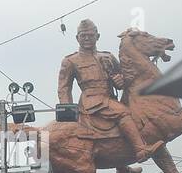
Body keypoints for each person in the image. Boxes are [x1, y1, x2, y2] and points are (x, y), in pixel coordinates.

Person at [58, 18, 164, 163]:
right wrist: (68, 113)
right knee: (123, 113)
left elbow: (124, 77)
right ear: (77, 38)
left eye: (90, 35)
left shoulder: (107, 56)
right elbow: (64, 88)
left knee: (131, 115)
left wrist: (120, 80)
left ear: (97, 36)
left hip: (110, 98)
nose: (87, 38)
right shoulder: (70, 61)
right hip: (92, 102)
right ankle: (141, 150)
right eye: (83, 35)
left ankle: (122, 168)